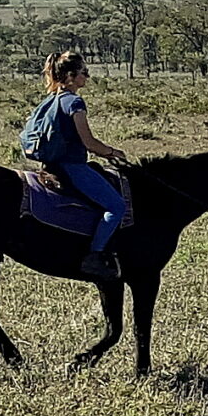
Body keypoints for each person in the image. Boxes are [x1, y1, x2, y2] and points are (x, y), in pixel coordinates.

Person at [18, 50, 130, 280]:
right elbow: (88, 142)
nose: (87, 77)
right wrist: (112, 153)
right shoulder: (74, 102)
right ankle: (95, 255)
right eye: (84, 72)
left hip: (52, 164)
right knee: (116, 207)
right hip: (72, 166)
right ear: (70, 76)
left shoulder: (51, 99)